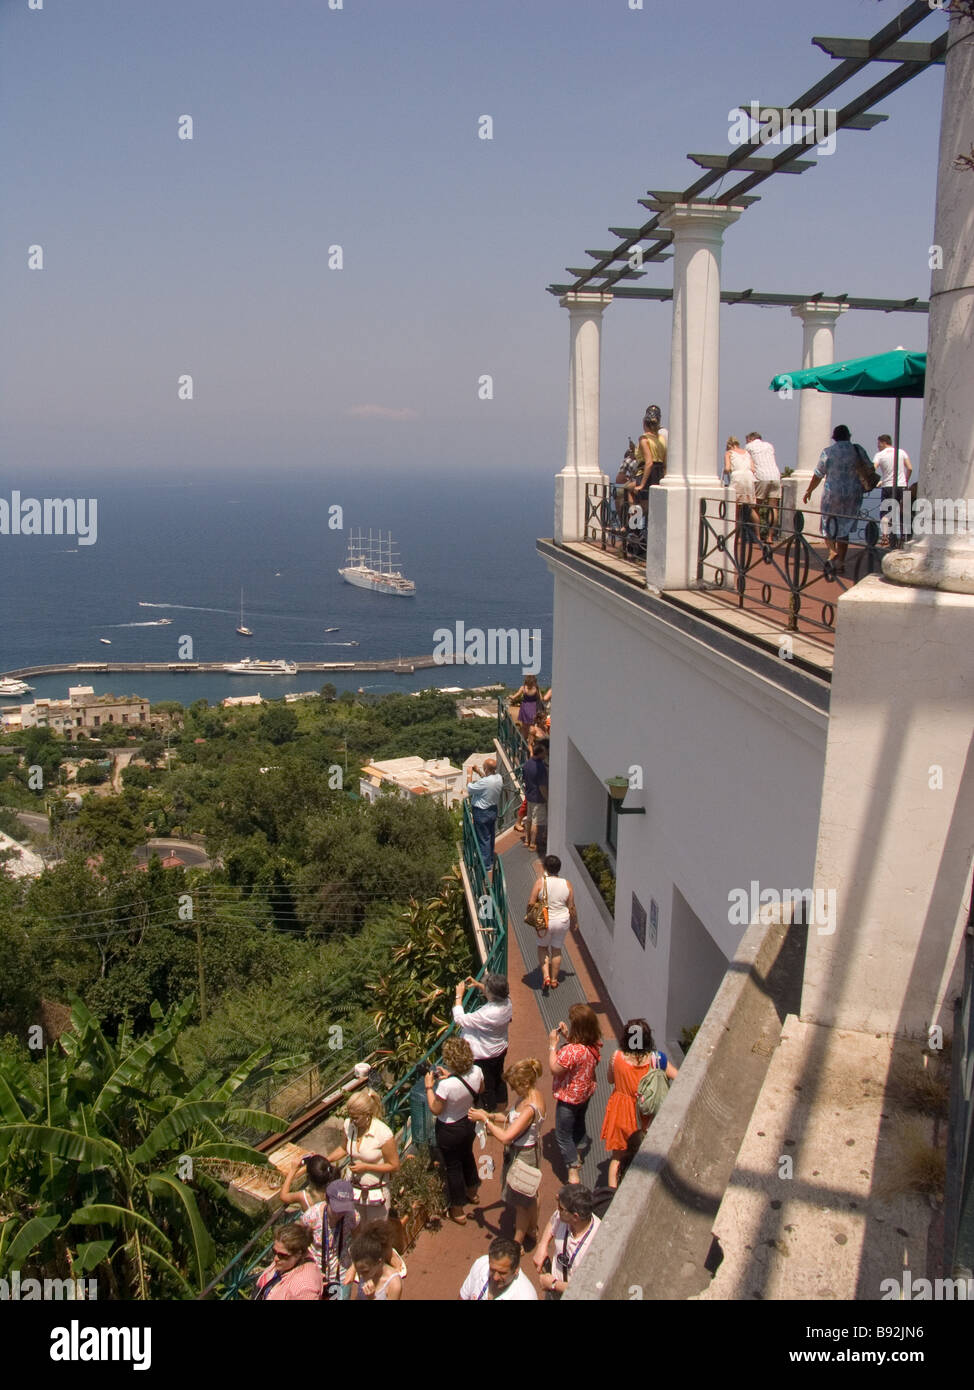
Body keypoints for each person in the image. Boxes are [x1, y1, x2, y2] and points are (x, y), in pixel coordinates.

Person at [470, 1057, 546, 1249]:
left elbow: (506, 1137)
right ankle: (531, 1229)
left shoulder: (530, 1108)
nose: (512, 1090)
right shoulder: (531, 1095)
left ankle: (516, 1243)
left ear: (525, 1083)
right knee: (531, 1195)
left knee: (521, 1204)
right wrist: (490, 1115)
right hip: (528, 1150)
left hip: (523, 1155)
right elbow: (510, 1118)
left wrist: (486, 1122)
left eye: (515, 1086)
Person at [600, 1018, 679, 1188]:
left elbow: (610, 1079)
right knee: (644, 1155)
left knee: (617, 1158)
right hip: (646, 1113)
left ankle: (611, 1195)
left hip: (622, 1111)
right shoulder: (657, 1059)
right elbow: (678, 1078)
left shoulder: (617, 1057)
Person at [424, 1036, 484, 1224]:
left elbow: (436, 1108)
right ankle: (473, 1192)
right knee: (467, 1155)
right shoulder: (477, 1071)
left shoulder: (445, 1086)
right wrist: (453, 1076)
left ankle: (457, 1209)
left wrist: (428, 1087)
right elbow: (480, 1090)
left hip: (449, 1128)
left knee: (453, 1166)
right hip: (469, 1121)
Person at [326, 1088, 399, 1227]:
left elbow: (394, 1165)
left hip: (376, 1192)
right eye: (350, 1116)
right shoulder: (349, 1125)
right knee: (356, 1228)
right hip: (353, 1189)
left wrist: (366, 1167)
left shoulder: (383, 1133)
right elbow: (343, 1148)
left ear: (367, 1114)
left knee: (375, 1233)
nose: (352, 1121)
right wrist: (327, 1159)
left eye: (356, 1118)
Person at [802, 424, 868, 575]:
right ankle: (841, 562)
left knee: (827, 522)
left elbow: (818, 473)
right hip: (852, 493)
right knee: (844, 527)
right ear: (849, 436)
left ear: (834, 437)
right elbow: (869, 467)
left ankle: (832, 552)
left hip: (833, 493)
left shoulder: (828, 452)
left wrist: (809, 490)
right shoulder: (857, 450)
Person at [549, 1003, 602, 1182]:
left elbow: (555, 1069)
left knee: (563, 1134)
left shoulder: (571, 1051)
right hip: (585, 1093)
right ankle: (579, 1152)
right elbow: (579, 1046)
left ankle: (573, 1170)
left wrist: (552, 1046)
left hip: (569, 1098)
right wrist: (567, 1035)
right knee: (579, 1123)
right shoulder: (594, 1045)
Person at [452, 972, 513, 1111]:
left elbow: (460, 1019)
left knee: (487, 1085)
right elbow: (495, 994)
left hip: (485, 1054)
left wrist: (458, 996)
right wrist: (479, 985)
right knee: (499, 1078)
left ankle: (489, 1113)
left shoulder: (488, 1014)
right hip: (499, 1049)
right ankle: (502, 1106)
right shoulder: (507, 1002)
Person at [277, 1153, 342, 1272]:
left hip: (314, 1244)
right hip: (334, 1241)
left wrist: (293, 1170)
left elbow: (283, 1195)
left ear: (309, 1177)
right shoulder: (335, 1190)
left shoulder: (303, 1196)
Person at [533, 1186, 601, 1298]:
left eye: (560, 1208)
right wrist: (542, 1245)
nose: (557, 1209)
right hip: (554, 1289)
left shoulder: (595, 1245)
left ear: (575, 1217)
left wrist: (553, 1284)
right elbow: (553, 1222)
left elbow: (584, 1287)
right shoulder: (563, 1216)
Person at [527, 853, 578, 992]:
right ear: (559, 868)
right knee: (557, 949)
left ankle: (546, 976)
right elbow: (571, 906)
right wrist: (575, 922)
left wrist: (531, 916)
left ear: (545, 867)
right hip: (562, 921)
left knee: (543, 948)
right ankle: (555, 980)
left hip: (545, 921)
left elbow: (531, 903)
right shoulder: (567, 884)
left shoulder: (540, 882)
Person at [254, 1222, 322, 1301]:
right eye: (274, 1251)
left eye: (282, 1255)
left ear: (298, 1254)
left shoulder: (305, 1286)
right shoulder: (286, 1262)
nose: (276, 1258)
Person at [459, 1236, 539, 1301]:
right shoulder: (481, 1264)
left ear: (516, 1269)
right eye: (492, 1270)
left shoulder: (526, 1296)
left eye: (502, 1273)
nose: (495, 1277)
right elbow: (463, 1296)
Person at [873, 433, 912, 544]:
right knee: (904, 513)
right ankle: (905, 538)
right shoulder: (901, 452)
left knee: (886, 514)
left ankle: (886, 537)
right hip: (902, 486)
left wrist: (878, 482)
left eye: (879, 444)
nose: (878, 446)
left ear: (883, 442)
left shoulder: (879, 455)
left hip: (888, 487)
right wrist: (905, 480)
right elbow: (910, 468)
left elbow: (872, 470)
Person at [466, 756, 503, 871]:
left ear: (486, 769)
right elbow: (487, 780)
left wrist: (469, 775)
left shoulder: (486, 782)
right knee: (490, 836)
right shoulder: (498, 778)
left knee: (483, 838)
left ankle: (486, 866)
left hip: (482, 812)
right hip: (492, 810)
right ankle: (490, 859)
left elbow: (469, 788)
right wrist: (479, 771)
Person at [724, 436, 761, 543]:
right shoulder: (747, 453)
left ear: (729, 445)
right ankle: (758, 535)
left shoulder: (729, 453)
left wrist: (728, 470)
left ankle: (737, 536)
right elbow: (753, 469)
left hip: (737, 478)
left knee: (736, 509)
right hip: (749, 478)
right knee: (750, 508)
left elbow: (727, 468)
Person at [348, 1229, 403, 1301]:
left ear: (379, 1262)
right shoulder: (364, 1272)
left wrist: (372, 1298)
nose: (362, 1276)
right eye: (359, 1271)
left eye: (365, 1271)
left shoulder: (394, 1284)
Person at [745, 431, 781, 540]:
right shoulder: (769, 446)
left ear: (750, 439)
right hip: (775, 476)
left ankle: (757, 535)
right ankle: (770, 536)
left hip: (761, 476)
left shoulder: (749, 447)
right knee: (773, 507)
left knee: (755, 506)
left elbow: (747, 462)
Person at [521, 737, 548, 854]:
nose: (546, 755)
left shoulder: (527, 764)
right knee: (536, 822)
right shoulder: (540, 767)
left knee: (529, 819)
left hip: (529, 795)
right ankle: (532, 843)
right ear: (540, 753)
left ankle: (526, 840)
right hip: (538, 798)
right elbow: (542, 786)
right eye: (545, 753)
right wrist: (547, 799)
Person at [511, 674, 545, 744]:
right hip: (534, 708)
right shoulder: (536, 688)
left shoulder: (523, 688)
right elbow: (541, 698)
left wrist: (510, 696)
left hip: (525, 709)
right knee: (532, 726)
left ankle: (523, 743)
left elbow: (514, 697)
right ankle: (531, 742)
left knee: (524, 727)